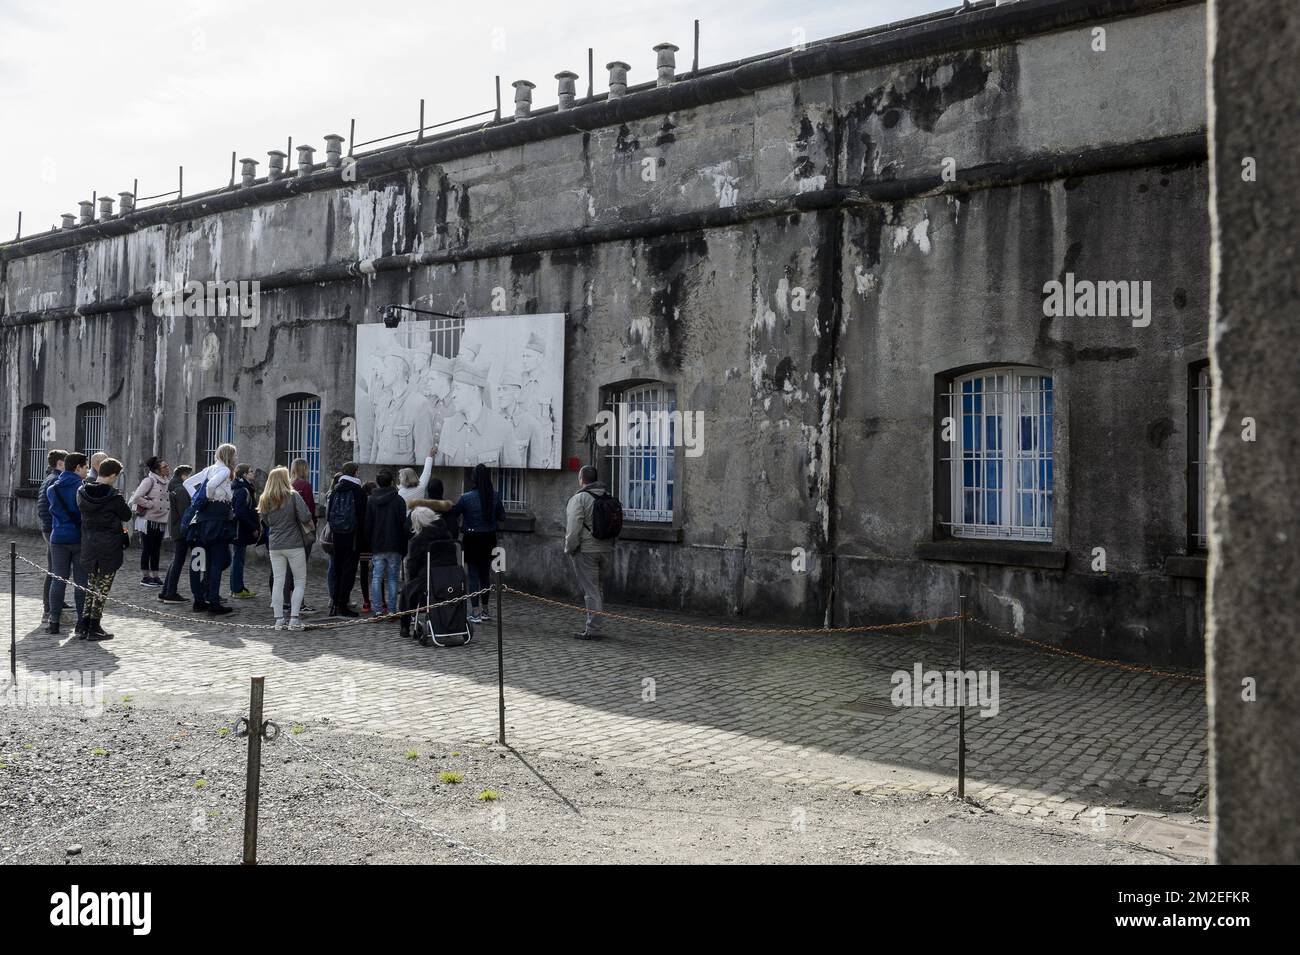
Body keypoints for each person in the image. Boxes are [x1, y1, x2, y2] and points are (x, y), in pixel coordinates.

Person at [77, 457, 132, 641]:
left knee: (91, 585)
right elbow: (127, 514)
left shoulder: (82, 492)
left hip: (89, 544)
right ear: (113, 475)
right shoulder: (114, 496)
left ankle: (84, 625)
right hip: (109, 546)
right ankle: (94, 627)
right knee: (102, 587)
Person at [435, 347, 515, 467]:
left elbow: (514, 474)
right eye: (453, 389)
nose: (453, 395)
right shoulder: (449, 425)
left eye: (458, 388)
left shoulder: (503, 428)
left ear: (474, 390)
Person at [184, 443, 238, 615]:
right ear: (230, 455)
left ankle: (199, 600)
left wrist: (199, 501)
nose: (236, 458)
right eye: (234, 455)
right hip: (216, 519)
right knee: (216, 561)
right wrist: (208, 498)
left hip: (201, 518)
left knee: (197, 561)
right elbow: (210, 486)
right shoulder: (224, 471)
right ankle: (213, 600)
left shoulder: (209, 469)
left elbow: (188, 483)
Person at [564, 465, 616, 640]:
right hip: (606, 549)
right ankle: (596, 624)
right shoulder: (607, 496)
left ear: (582, 479)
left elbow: (573, 529)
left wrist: (569, 549)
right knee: (598, 589)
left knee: (591, 591)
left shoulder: (579, 499)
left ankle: (593, 629)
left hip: (586, 551)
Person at [258, 466, 312, 631]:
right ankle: (294, 618)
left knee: (278, 582)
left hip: (275, 544)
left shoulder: (264, 498)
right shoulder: (293, 496)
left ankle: (279, 619)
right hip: (294, 543)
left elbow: (266, 522)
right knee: (299, 581)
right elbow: (305, 516)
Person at [451, 464, 503, 625]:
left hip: (472, 539)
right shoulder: (495, 496)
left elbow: (454, 513)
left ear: (473, 478)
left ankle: (475, 611)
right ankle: (486, 609)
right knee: (485, 575)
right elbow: (502, 516)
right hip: (489, 538)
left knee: (472, 576)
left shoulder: (466, 498)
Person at [399, 505, 459, 639]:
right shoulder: (447, 535)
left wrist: (413, 577)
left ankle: (405, 625)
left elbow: (412, 566)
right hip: (450, 577)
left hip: (429, 578)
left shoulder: (418, 540)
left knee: (407, 591)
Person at [45, 452, 86, 635]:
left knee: (58, 579)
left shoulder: (52, 489)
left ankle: (54, 621)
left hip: (58, 537)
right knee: (81, 582)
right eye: (85, 467)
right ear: (77, 468)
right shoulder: (82, 488)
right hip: (78, 538)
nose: (87, 471)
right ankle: (81, 622)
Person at [326, 463, 368, 617]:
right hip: (353, 536)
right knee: (348, 571)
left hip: (337, 534)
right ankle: (342, 605)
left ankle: (335, 603)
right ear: (355, 472)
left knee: (337, 569)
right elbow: (363, 516)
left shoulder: (335, 489)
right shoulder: (358, 491)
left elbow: (329, 513)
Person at [366, 470, 408, 618]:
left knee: (377, 577)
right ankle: (391, 609)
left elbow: (368, 525)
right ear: (391, 482)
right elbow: (404, 524)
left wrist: (370, 541)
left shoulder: (371, 500)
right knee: (392, 578)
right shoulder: (398, 500)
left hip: (378, 543)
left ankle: (378, 609)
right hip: (394, 543)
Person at [127, 456, 170, 587]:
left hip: (161, 520)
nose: (167, 468)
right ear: (157, 470)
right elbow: (136, 498)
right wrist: (151, 504)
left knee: (157, 549)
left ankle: (155, 576)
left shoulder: (166, 481)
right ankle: (145, 576)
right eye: (164, 467)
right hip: (148, 520)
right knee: (148, 548)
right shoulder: (149, 480)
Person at [496, 369, 551, 467]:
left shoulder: (533, 425)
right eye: (498, 389)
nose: (500, 394)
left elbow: (535, 468)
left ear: (516, 393)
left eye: (504, 389)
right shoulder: (493, 422)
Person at [37, 449, 67, 624]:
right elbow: (48, 509)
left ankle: (55, 602)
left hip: (48, 528)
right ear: (60, 463)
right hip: (52, 529)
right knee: (55, 570)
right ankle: (49, 608)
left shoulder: (50, 477)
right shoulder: (55, 480)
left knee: (55, 569)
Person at [159, 465, 196, 604]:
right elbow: (185, 513)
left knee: (176, 561)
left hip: (176, 528)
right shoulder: (181, 490)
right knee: (178, 561)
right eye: (189, 475)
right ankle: (170, 592)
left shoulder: (176, 487)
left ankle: (166, 591)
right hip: (181, 529)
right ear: (183, 476)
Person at [229, 463, 261, 599]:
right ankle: (237, 589)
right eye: (251, 471)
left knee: (238, 559)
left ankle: (238, 587)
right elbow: (241, 512)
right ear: (244, 475)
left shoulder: (245, 488)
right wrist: (253, 527)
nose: (253, 473)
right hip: (239, 530)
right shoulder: (243, 490)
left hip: (241, 529)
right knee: (238, 560)